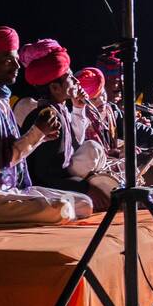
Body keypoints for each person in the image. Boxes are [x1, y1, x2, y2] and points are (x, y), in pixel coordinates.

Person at [0, 26, 93, 227]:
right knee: (62, 209)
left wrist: (41, 137)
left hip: (5, 191)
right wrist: (36, 133)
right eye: (8, 60)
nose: (17, 66)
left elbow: (12, 150)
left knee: (84, 204)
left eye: (15, 58)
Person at [19, 41, 109, 212]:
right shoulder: (48, 117)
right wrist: (87, 188)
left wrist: (79, 107)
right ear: (55, 87)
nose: (75, 80)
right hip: (39, 190)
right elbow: (48, 177)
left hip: (53, 184)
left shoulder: (58, 111)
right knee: (84, 204)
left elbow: (73, 150)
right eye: (69, 77)